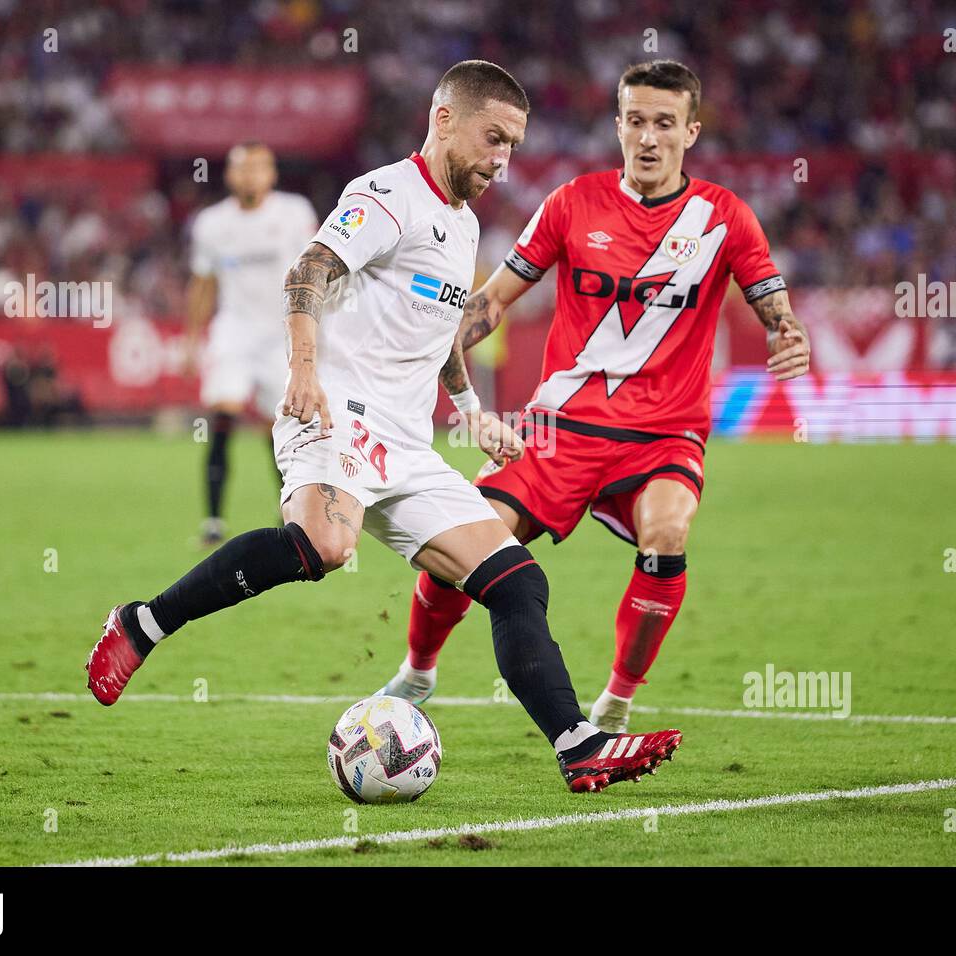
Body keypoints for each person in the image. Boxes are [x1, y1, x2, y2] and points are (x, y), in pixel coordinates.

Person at [86, 60, 682, 794]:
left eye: (513, 146)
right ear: (444, 120)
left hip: (407, 443)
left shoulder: (462, 226)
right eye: (492, 138)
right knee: (324, 545)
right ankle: (143, 624)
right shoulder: (386, 195)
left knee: (516, 581)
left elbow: (439, 340)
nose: (502, 160)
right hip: (337, 410)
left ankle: (579, 745)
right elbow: (308, 270)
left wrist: (472, 414)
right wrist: (304, 369)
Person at [378, 60, 811, 733]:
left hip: (665, 431)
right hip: (561, 426)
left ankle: (616, 699)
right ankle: (418, 669)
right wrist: (443, 338)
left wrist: (787, 331)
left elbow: (771, 300)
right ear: (617, 125)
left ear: (690, 131)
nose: (647, 137)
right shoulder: (572, 203)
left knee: (667, 530)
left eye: (663, 123)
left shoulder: (723, 217)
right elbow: (492, 299)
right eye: (634, 120)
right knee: (465, 536)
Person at [186, 142, 319, 545]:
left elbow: (316, 271)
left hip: (282, 332)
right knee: (222, 412)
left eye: (258, 168)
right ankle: (213, 521)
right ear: (230, 175)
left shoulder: (295, 213)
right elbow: (203, 283)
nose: (250, 176)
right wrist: (191, 340)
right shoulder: (211, 223)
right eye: (242, 169)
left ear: (271, 173)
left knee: (278, 426)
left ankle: (290, 516)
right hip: (234, 330)